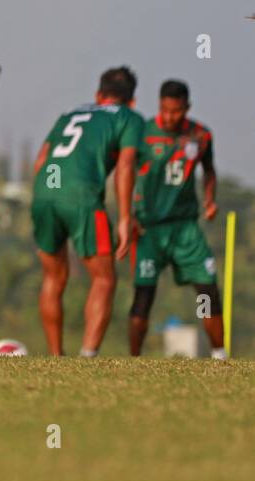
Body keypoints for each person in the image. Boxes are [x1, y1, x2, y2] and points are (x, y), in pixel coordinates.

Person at [31, 66, 143, 356]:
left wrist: (50, 191)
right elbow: (126, 166)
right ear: (131, 100)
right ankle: (87, 355)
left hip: (45, 192)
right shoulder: (129, 118)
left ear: (98, 95)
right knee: (104, 278)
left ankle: (56, 355)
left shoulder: (69, 113)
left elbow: (41, 160)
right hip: (81, 196)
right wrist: (125, 218)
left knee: (53, 277)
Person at [129, 80, 225, 359]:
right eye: (165, 110)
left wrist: (210, 199)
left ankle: (220, 356)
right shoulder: (142, 134)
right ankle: (134, 361)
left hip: (186, 228)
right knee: (143, 296)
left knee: (207, 291)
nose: (170, 117)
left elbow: (209, 171)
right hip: (150, 229)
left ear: (187, 108)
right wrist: (129, 215)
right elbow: (125, 171)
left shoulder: (200, 136)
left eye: (177, 111)